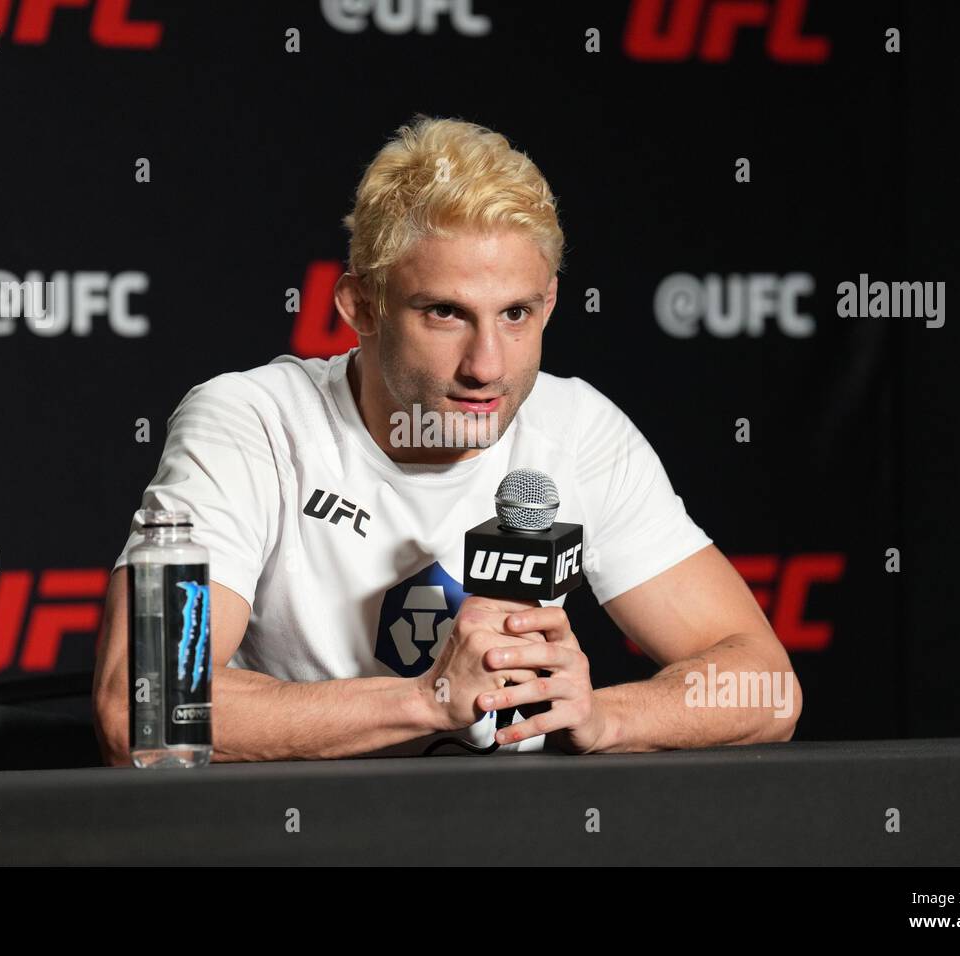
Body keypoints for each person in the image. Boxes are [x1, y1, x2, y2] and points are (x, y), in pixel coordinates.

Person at [93, 115, 801, 763]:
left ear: (550, 302)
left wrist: (604, 716)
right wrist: (428, 698)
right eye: (445, 313)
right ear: (360, 306)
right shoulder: (252, 423)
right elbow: (145, 711)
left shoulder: (578, 430)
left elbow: (768, 689)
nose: (487, 365)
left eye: (516, 313)